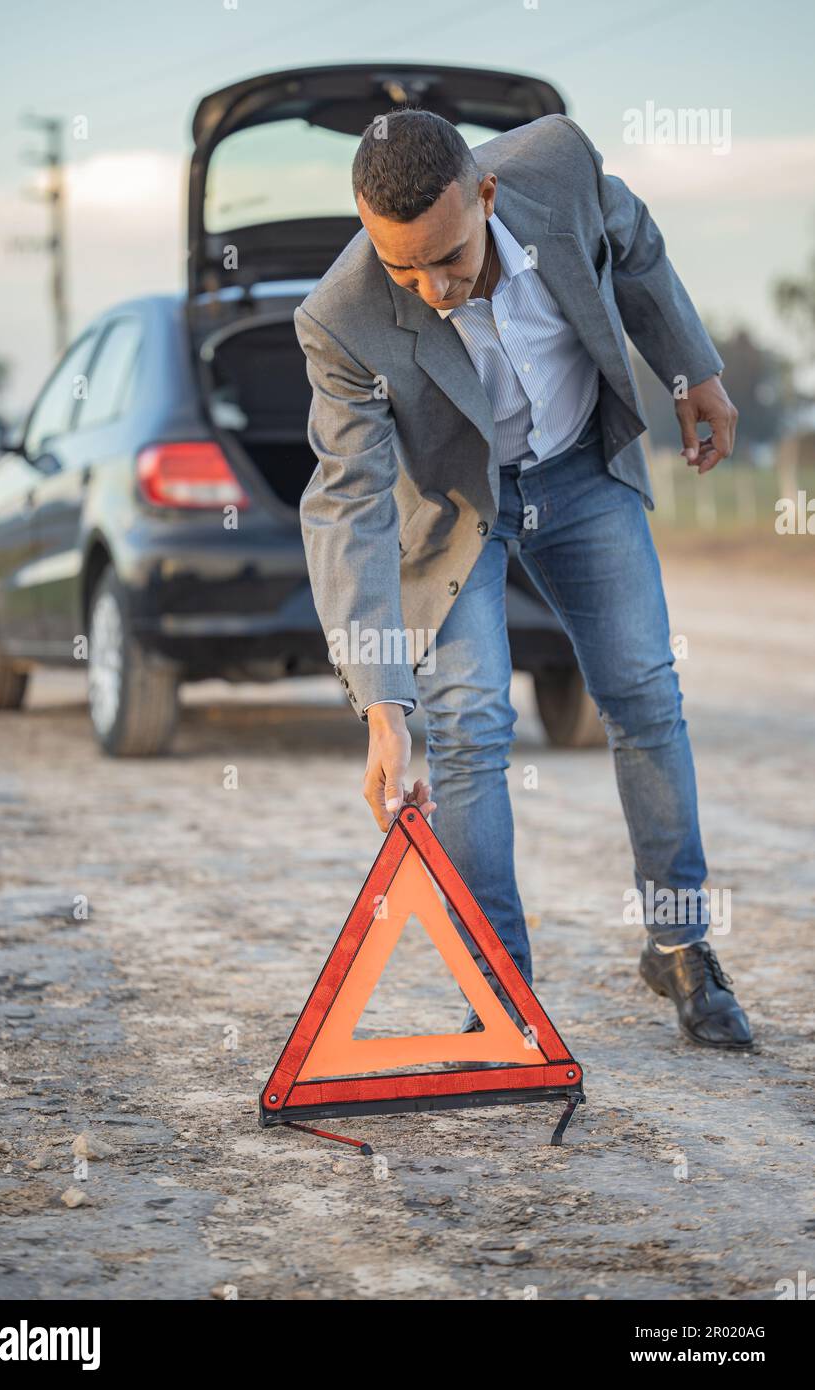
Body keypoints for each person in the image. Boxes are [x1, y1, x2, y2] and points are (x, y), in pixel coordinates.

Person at [294, 109, 752, 1051]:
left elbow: (632, 244)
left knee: (643, 695)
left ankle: (681, 945)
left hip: (581, 469)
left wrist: (690, 369)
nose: (431, 287)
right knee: (466, 727)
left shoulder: (557, 166)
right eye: (402, 270)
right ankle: (498, 990)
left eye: (449, 258)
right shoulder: (340, 320)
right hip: (458, 513)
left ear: (487, 196)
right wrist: (382, 702)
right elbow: (350, 506)